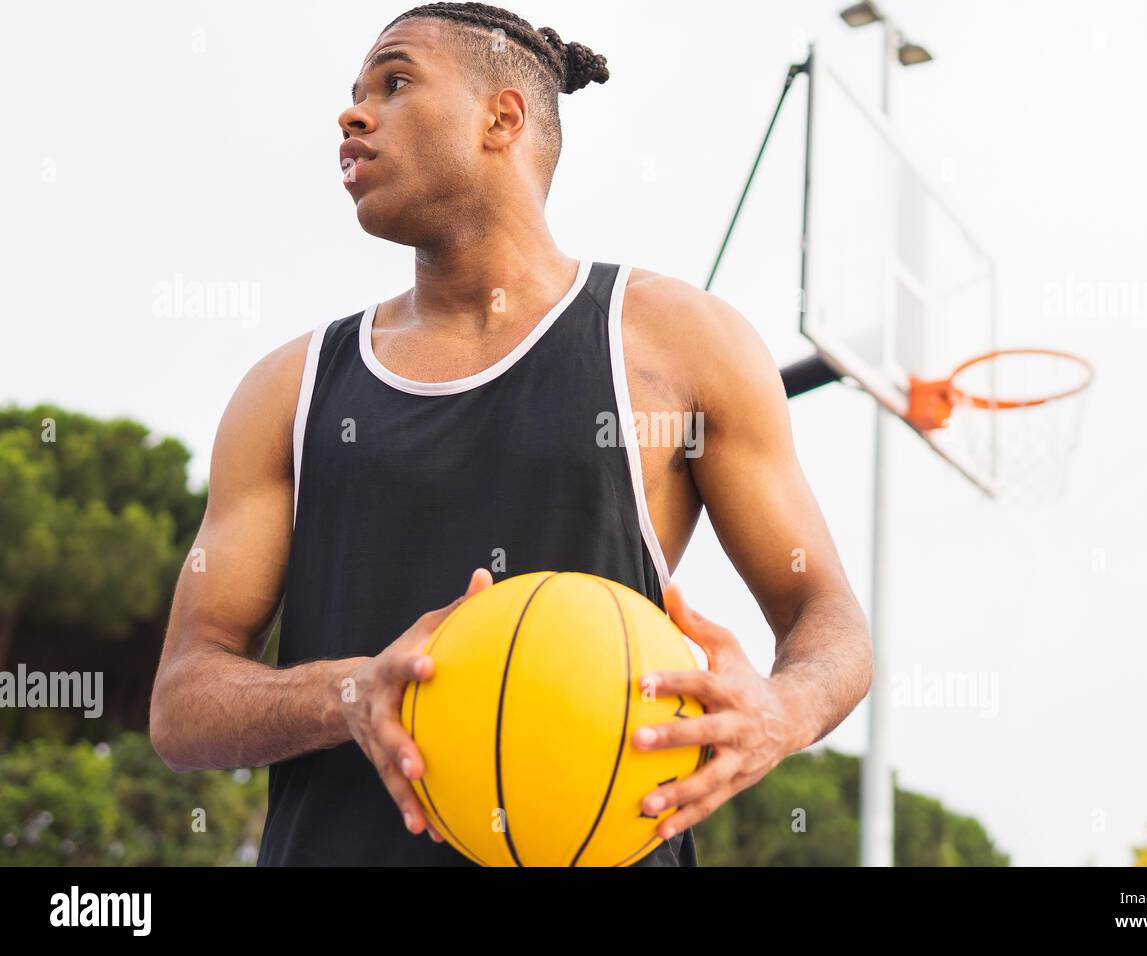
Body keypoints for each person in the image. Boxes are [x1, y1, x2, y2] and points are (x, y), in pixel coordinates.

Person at [150, 2, 872, 866]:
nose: (353, 113)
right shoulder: (288, 389)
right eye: (352, 94)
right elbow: (184, 702)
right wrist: (348, 693)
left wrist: (781, 713)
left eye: (395, 81)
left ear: (504, 116)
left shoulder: (678, 342)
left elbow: (827, 617)